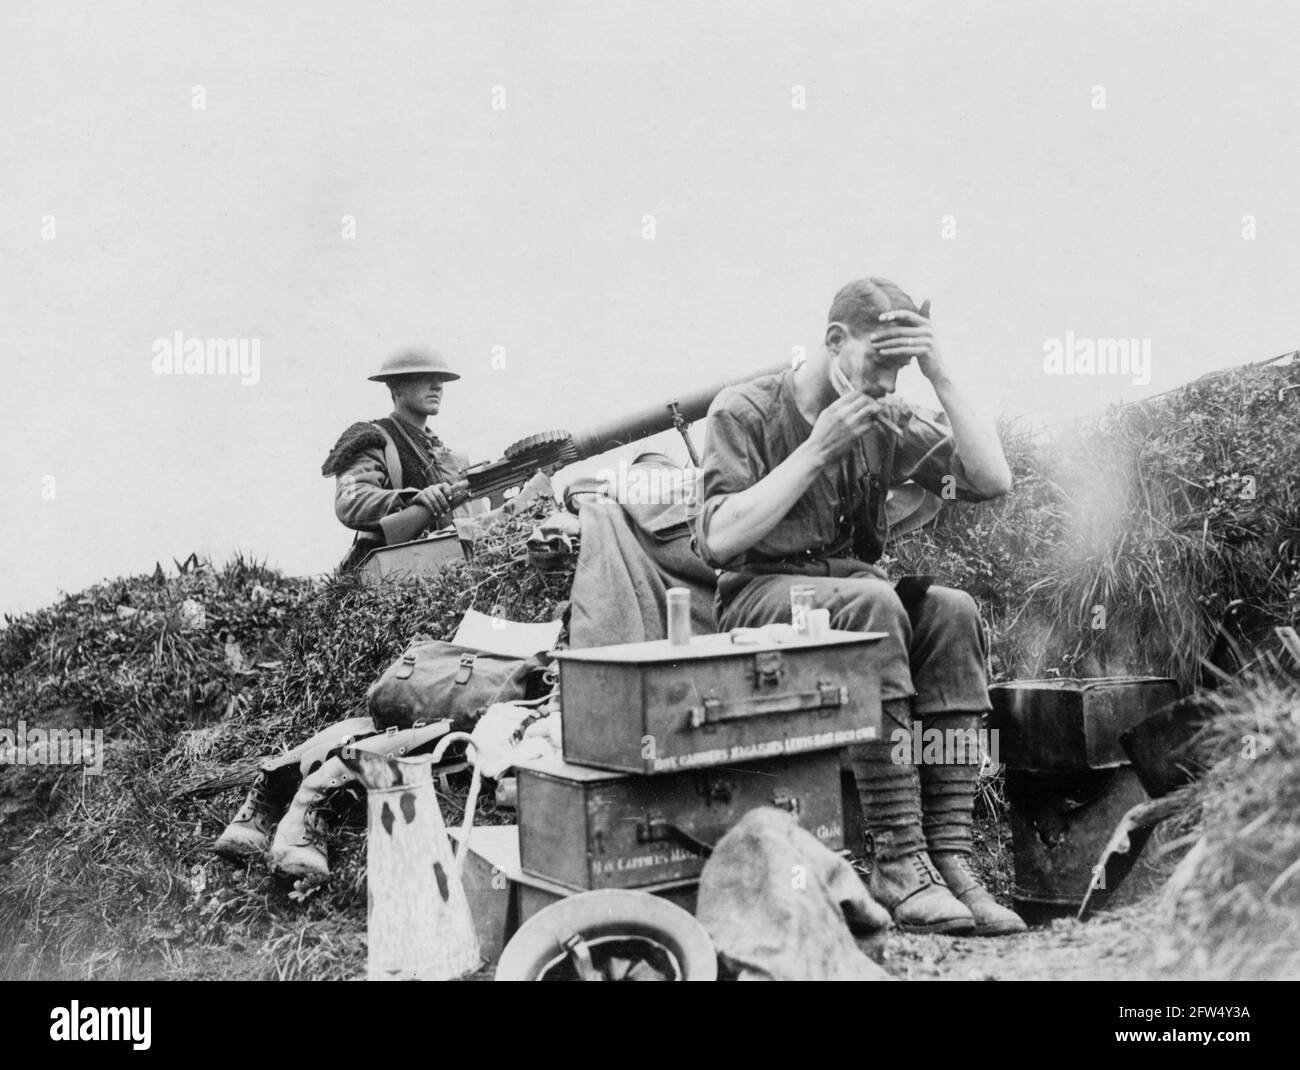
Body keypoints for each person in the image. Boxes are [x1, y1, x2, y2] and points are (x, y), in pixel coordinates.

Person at [692, 277, 1025, 936]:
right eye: (882, 361)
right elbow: (719, 539)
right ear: (836, 342)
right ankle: (900, 861)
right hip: (761, 592)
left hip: (850, 590)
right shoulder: (746, 409)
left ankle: (949, 858)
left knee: (952, 612)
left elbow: (991, 480)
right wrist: (819, 447)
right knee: (875, 602)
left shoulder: (884, 414)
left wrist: (942, 373)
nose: (891, 382)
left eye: (904, 367)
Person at [321, 345, 486, 571]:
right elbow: (351, 500)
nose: (437, 386)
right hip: (390, 572)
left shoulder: (441, 452)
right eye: (424, 377)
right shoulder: (369, 438)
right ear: (396, 386)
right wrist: (410, 499)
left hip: (442, 565)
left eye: (440, 379)